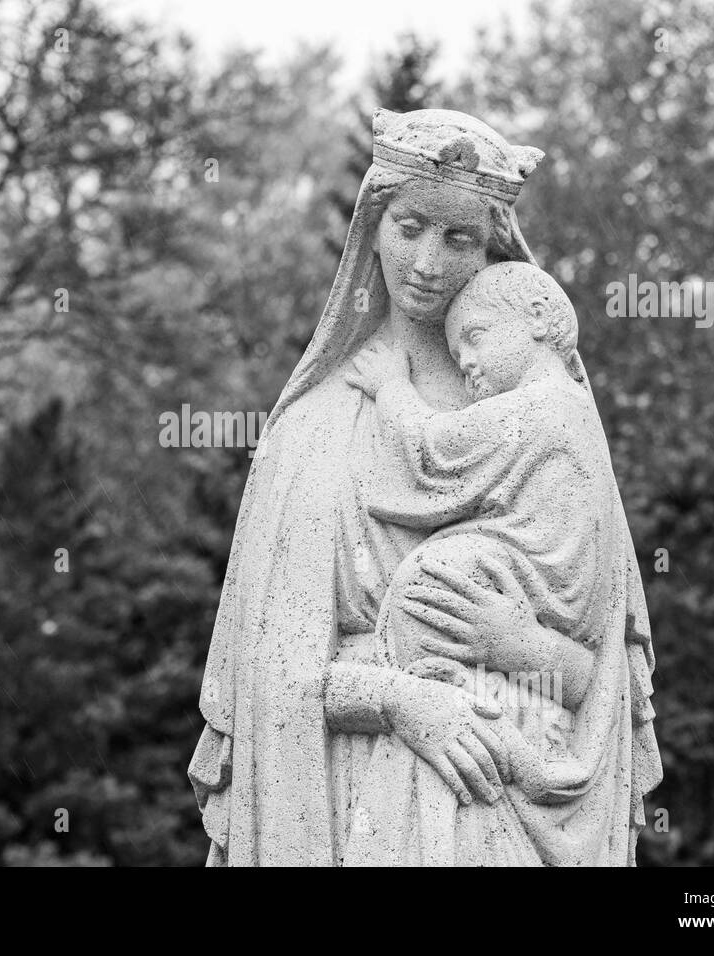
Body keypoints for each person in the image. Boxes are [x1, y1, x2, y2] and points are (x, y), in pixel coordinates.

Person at [188, 108, 661, 866]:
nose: (429, 262)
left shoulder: (549, 425)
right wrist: (400, 702)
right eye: (411, 227)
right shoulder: (318, 427)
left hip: (521, 802)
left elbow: (601, 683)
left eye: (460, 238)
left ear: (495, 249)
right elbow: (272, 679)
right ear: (373, 225)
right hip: (365, 805)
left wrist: (515, 644)